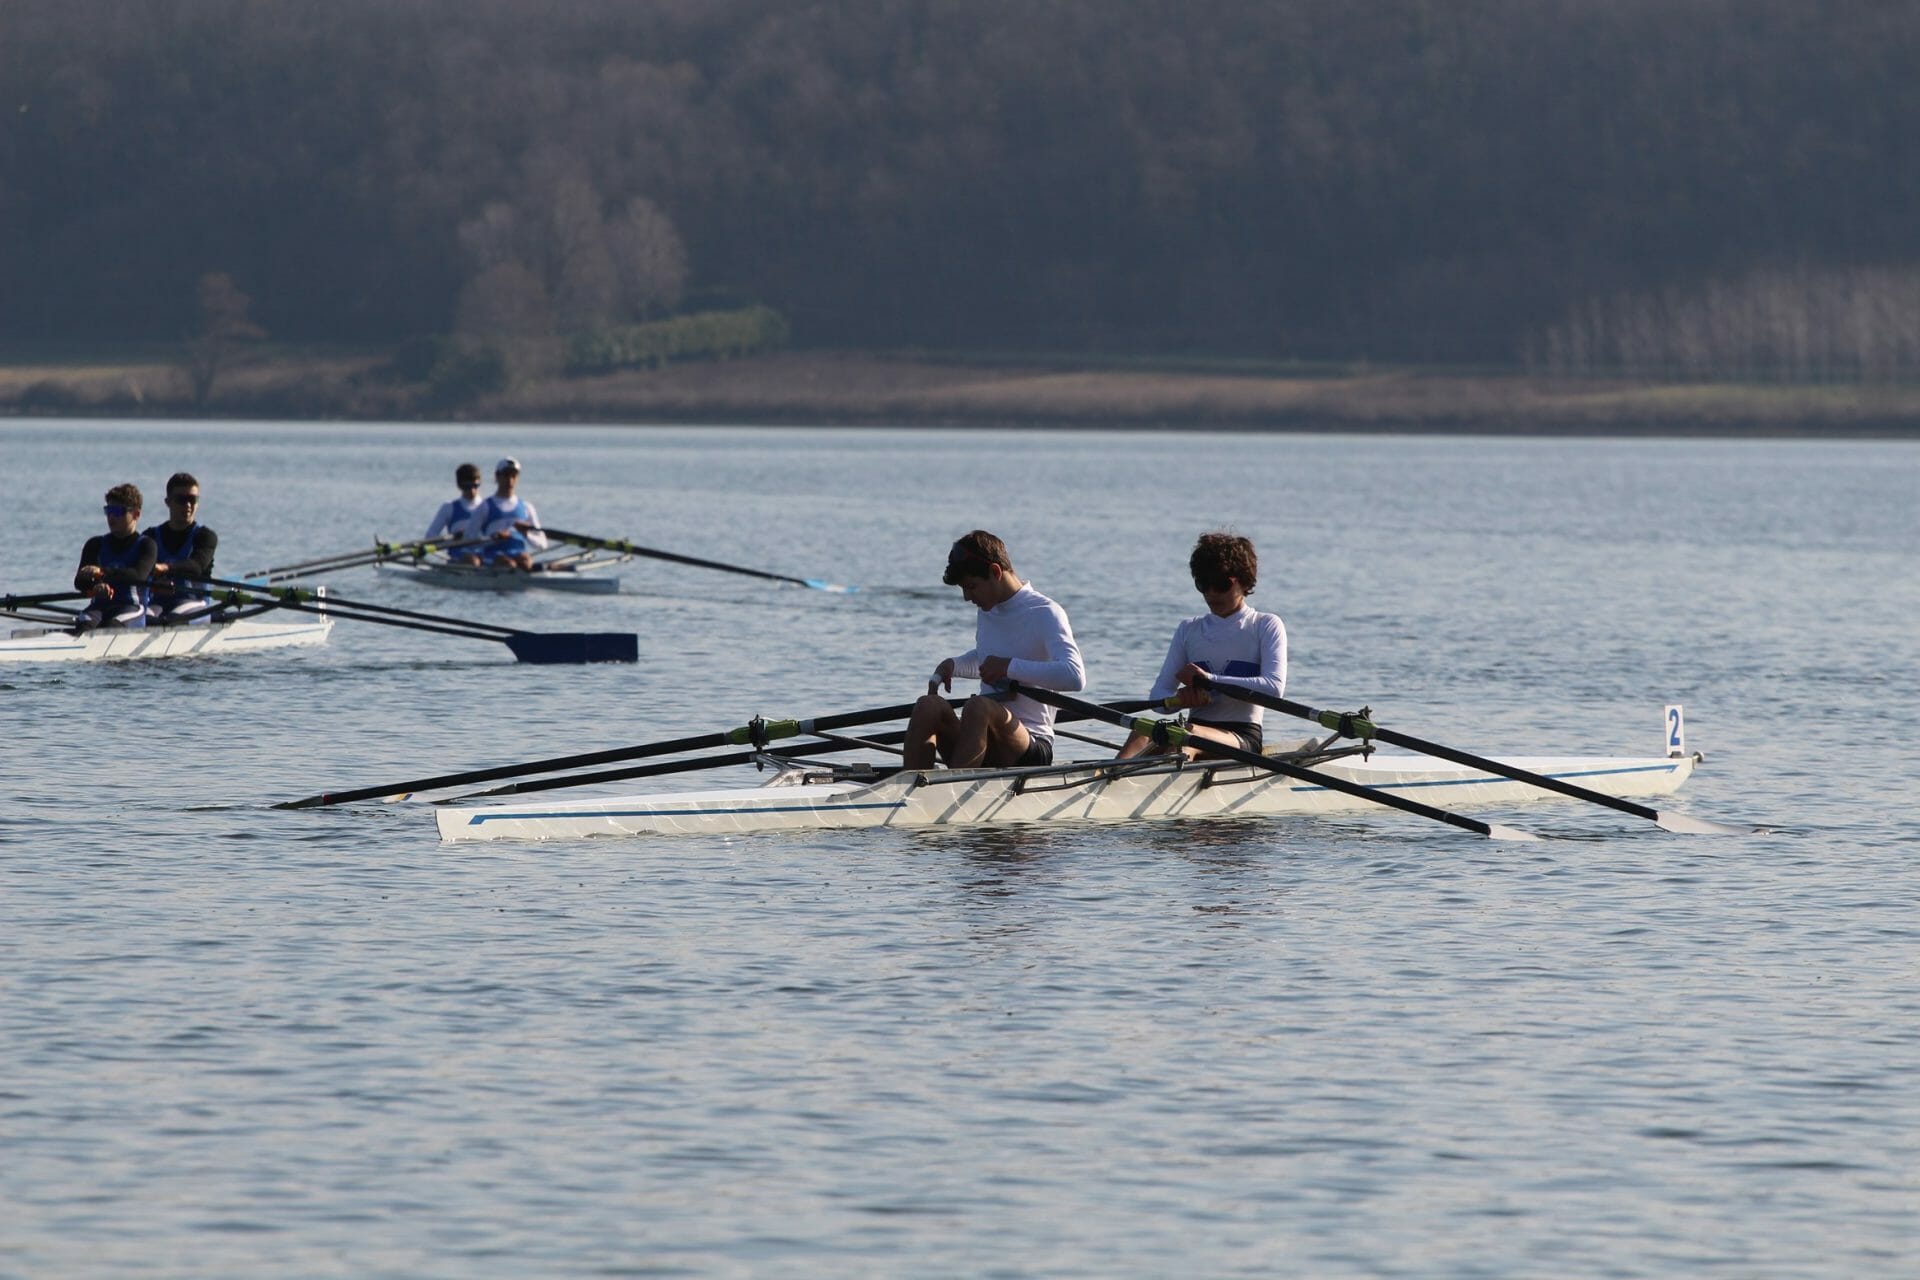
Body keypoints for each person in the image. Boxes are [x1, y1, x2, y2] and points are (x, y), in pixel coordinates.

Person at [902, 530, 1086, 770]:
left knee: (978, 706)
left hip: (1030, 744)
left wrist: (1009, 667)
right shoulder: (988, 610)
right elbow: (987, 660)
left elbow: (1074, 676)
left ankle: (953, 790)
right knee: (928, 705)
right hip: (983, 739)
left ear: (996, 572)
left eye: (971, 587)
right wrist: (954, 665)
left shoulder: (1045, 612)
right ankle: (911, 790)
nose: (967, 597)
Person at [1116, 531, 1287, 761]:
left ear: (1244, 581)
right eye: (1203, 584)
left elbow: (1274, 688)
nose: (1211, 593)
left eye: (1220, 584)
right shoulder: (1189, 629)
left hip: (1240, 737)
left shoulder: (1265, 625)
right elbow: (1159, 696)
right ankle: (1103, 777)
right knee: (1145, 730)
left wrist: (1210, 680)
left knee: (1186, 735)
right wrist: (1180, 699)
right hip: (1191, 729)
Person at [74, 483, 157, 628]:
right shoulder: (94, 544)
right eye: (109, 510)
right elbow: (79, 583)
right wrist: (96, 585)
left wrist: (101, 573)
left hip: (132, 608)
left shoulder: (147, 545)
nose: (112, 517)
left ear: (136, 514)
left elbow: (138, 575)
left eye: (118, 511)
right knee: (83, 623)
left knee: (110, 626)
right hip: (99, 608)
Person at [144, 471, 219, 624]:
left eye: (193, 500)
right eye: (181, 500)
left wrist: (165, 568)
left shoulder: (205, 536)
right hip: (158, 602)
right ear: (168, 501)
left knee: (171, 619)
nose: (188, 505)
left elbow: (196, 566)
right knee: (142, 618)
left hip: (194, 603)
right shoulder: (150, 536)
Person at [460, 457, 548, 571]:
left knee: (525, 561)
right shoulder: (485, 506)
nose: (510, 480)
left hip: (519, 555)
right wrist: (493, 538)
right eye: (506, 475)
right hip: (492, 555)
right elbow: (468, 541)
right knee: (508, 564)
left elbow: (543, 545)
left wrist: (526, 534)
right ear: (497, 477)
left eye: (513, 476)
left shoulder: (527, 507)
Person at [424, 462, 485, 544]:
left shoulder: (487, 507)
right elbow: (430, 537)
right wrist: (453, 539)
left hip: (482, 553)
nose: (472, 490)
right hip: (458, 554)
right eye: (467, 486)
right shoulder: (449, 508)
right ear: (459, 485)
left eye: (475, 485)